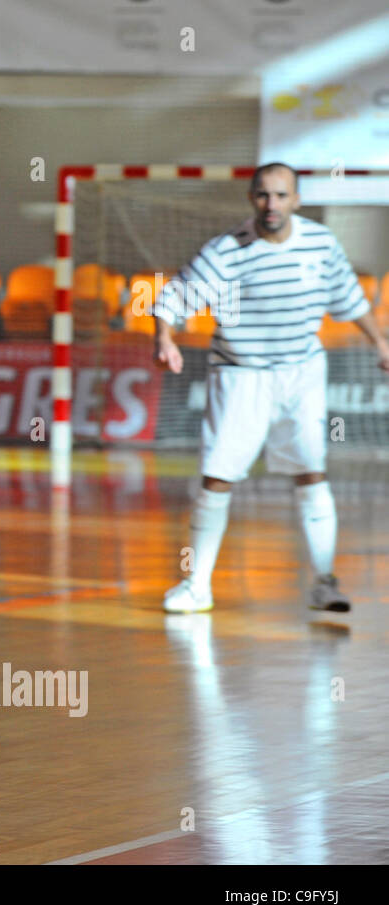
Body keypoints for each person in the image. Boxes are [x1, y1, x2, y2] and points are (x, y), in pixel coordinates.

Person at [154, 162, 389, 613]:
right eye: (263, 195)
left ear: (297, 200)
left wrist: (379, 342)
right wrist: (163, 335)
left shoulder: (320, 244)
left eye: (281, 196)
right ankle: (197, 586)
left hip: (301, 373)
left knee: (311, 471)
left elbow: (350, 299)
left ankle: (324, 582)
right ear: (251, 198)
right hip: (241, 374)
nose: (272, 205)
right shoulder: (227, 251)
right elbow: (174, 296)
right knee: (218, 475)